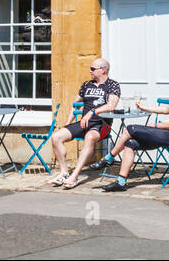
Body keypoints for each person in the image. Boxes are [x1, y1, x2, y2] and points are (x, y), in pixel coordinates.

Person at [97, 70, 169, 192]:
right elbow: (166, 110)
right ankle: (121, 182)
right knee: (129, 144)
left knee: (130, 129)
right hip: (166, 134)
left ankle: (109, 157)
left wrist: (156, 125)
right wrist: (144, 107)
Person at [49, 58, 120, 188]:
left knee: (90, 137)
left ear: (103, 70)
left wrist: (92, 112)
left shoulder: (112, 85)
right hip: (83, 123)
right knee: (56, 137)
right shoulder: (87, 84)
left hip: (101, 124)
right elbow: (75, 105)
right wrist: (67, 124)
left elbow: (111, 106)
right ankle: (64, 172)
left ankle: (74, 176)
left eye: (93, 69)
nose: (90, 71)